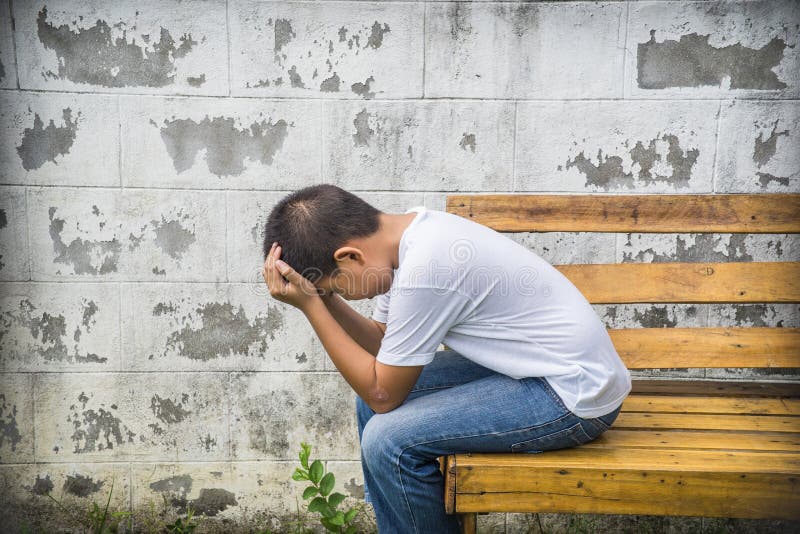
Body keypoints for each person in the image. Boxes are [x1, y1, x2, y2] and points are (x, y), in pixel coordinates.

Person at [262, 184, 632, 534]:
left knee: (387, 441)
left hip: (574, 395)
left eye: (336, 287)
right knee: (369, 409)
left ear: (350, 257)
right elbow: (383, 343)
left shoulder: (426, 268)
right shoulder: (409, 238)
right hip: (544, 368)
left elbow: (383, 394)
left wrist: (312, 307)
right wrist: (322, 298)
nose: (342, 295)